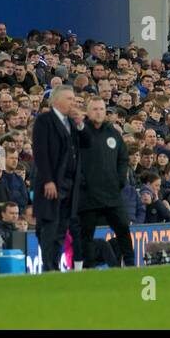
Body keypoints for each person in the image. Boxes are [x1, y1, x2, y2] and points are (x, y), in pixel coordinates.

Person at [71, 96, 133, 267]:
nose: (98, 113)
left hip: (111, 193)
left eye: (101, 109)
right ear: (87, 112)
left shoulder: (113, 133)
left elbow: (123, 158)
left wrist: (120, 180)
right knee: (86, 234)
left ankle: (130, 264)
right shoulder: (79, 132)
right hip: (88, 195)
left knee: (123, 229)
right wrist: (82, 181)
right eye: (95, 109)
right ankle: (87, 267)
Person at [33, 86, 79, 273]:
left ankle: (54, 265)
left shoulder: (72, 123)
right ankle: (48, 266)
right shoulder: (45, 120)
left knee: (62, 227)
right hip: (52, 183)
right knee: (49, 225)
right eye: (69, 98)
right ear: (57, 101)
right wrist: (48, 180)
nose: (73, 102)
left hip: (70, 183)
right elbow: (41, 152)